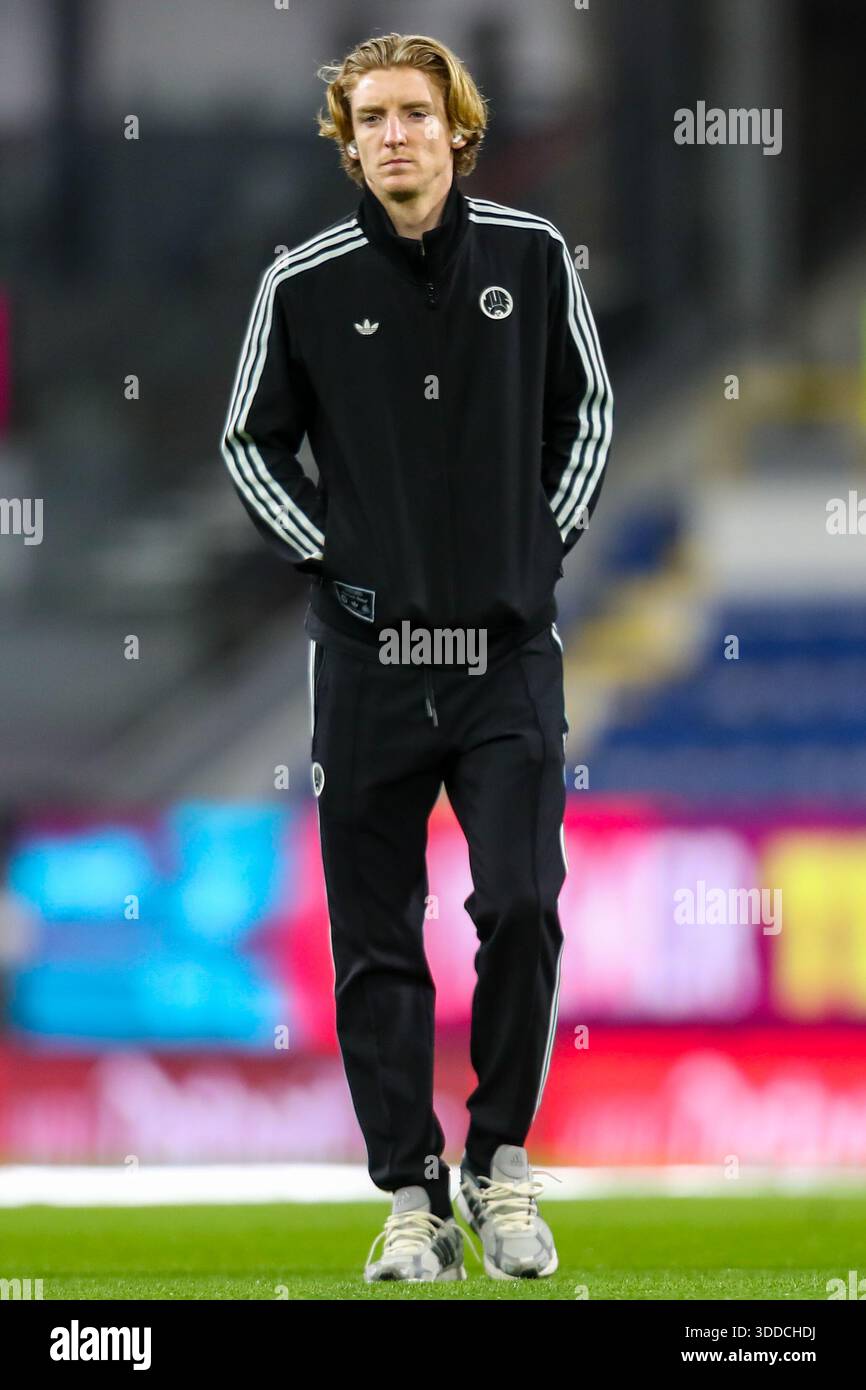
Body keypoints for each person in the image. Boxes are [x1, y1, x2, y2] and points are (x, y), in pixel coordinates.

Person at [221, 31, 613, 1282]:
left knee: (520, 905)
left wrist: (531, 552)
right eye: (371, 117)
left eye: (415, 113)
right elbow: (248, 443)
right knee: (374, 940)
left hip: (502, 657)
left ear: (459, 130)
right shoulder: (302, 282)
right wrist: (334, 569)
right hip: (366, 667)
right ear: (347, 140)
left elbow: (588, 412)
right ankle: (409, 1193)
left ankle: (500, 1167)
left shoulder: (535, 259)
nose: (394, 134)